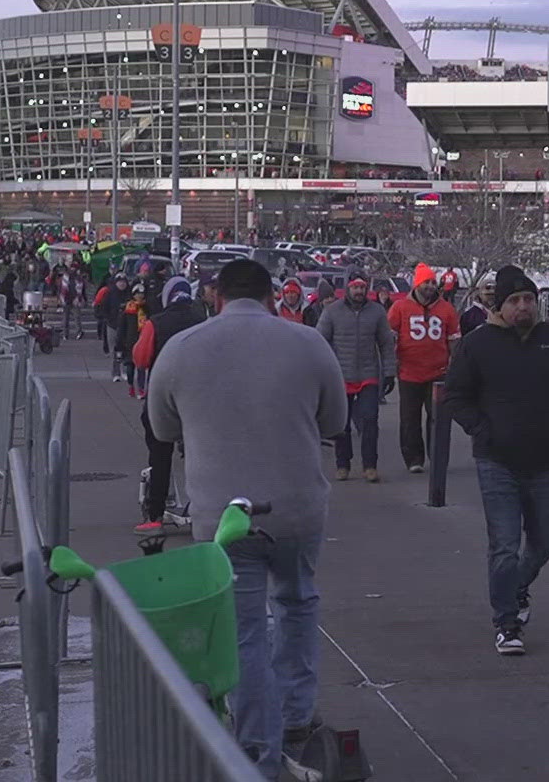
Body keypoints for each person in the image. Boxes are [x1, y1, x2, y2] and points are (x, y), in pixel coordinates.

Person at [147, 259, 348, 777]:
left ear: (214, 296)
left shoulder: (182, 349)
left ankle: (258, 740)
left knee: (244, 628)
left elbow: (162, 428)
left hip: (222, 515)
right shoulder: (307, 343)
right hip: (298, 505)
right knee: (297, 601)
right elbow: (335, 420)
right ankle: (297, 715)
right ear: (272, 295)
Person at [443, 264, 549, 656]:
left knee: (546, 540)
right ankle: (506, 622)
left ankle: (517, 588)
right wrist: (482, 430)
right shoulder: (478, 344)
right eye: (515, 301)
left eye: (529, 299)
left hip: (544, 458)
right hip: (496, 461)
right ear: (500, 306)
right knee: (505, 545)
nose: (524, 306)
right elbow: (456, 396)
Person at [131, 275, 206, 534]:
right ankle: (204, 510)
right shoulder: (203, 322)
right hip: (197, 400)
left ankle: (155, 517)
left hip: (161, 401)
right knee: (200, 455)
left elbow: (140, 359)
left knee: (160, 456)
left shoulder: (156, 323)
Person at [315, 275, 398, 482]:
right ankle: (343, 464)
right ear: (347, 289)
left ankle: (370, 465)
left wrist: (389, 373)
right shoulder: (332, 311)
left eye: (362, 287)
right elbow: (319, 342)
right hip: (340, 376)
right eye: (355, 287)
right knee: (342, 424)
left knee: (370, 420)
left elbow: (386, 344)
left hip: (368, 375)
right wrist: (322, 373)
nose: (359, 291)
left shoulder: (377, 312)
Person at [389, 263, 460, 474]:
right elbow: (388, 337)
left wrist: (455, 366)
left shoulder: (446, 309)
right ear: (417, 284)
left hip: (439, 372)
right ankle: (413, 459)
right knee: (409, 419)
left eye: (432, 282)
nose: (430, 286)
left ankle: (437, 455)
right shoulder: (400, 308)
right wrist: (389, 363)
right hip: (409, 372)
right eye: (426, 282)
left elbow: (454, 341)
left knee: (437, 417)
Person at [95, 274, 127, 355]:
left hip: (126, 326)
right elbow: (103, 307)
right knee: (112, 346)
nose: (122, 284)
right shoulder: (110, 293)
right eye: (120, 282)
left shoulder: (129, 294)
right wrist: (107, 317)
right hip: (112, 324)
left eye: (124, 282)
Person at [459, 272, 496, 337]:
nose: (491, 298)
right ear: (480, 294)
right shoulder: (469, 316)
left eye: (493, 295)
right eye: (488, 295)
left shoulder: (502, 314)